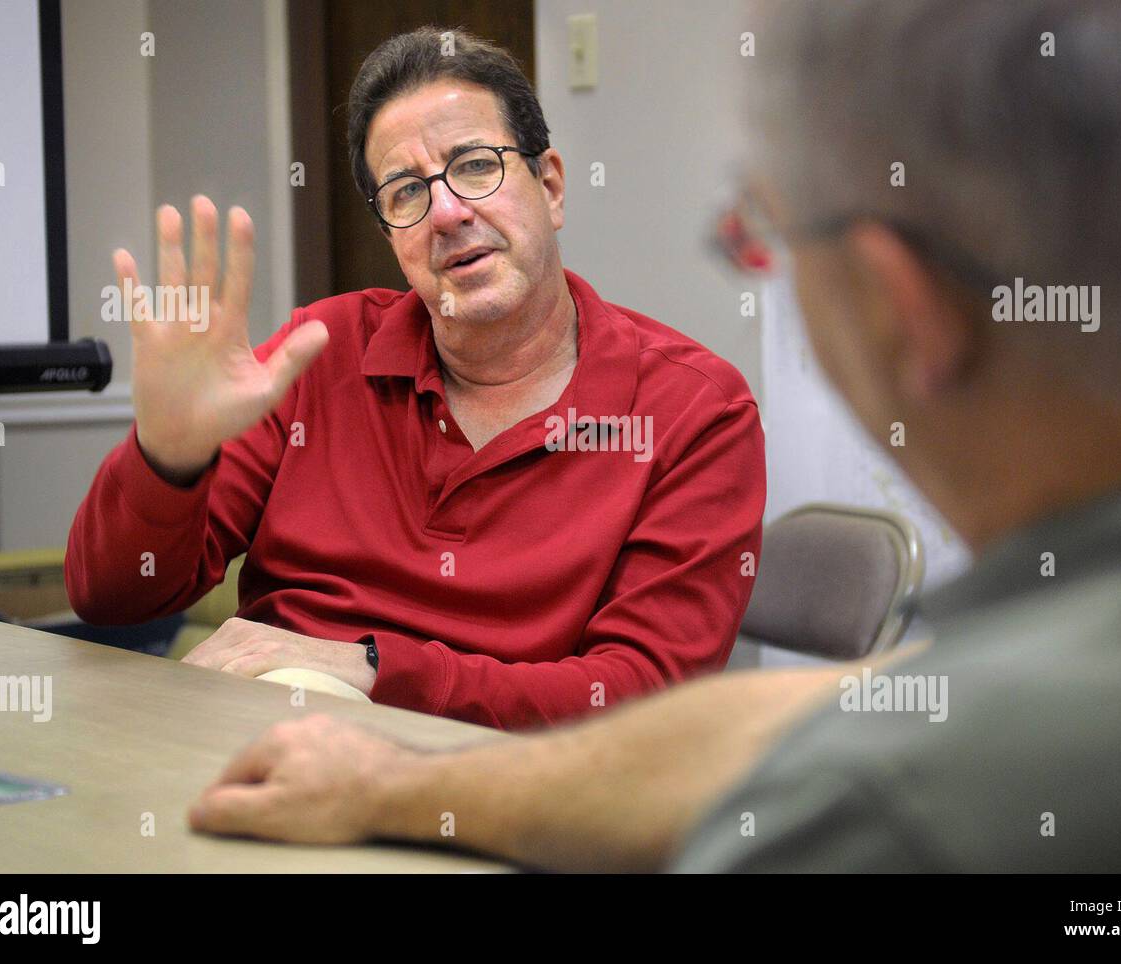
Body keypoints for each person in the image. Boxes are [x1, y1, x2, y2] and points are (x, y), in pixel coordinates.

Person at [189, 0, 1121, 871]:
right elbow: (819, 705)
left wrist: (376, 693)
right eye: (409, 194)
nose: (449, 214)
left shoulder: (882, 818)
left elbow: (719, 714)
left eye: (757, 229)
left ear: (899, 310)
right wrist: (398, 781)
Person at [64, 28, 765, 730]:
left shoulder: (694, 409)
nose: (449, 213)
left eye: (476, 166)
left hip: (509, 796)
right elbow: (115, 600)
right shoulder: (323, 353)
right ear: (391, 235)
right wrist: (167, 458)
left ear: (549, 186)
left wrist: (372, 668)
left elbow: (640, 700)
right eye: (407, 193)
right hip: (262, 749)